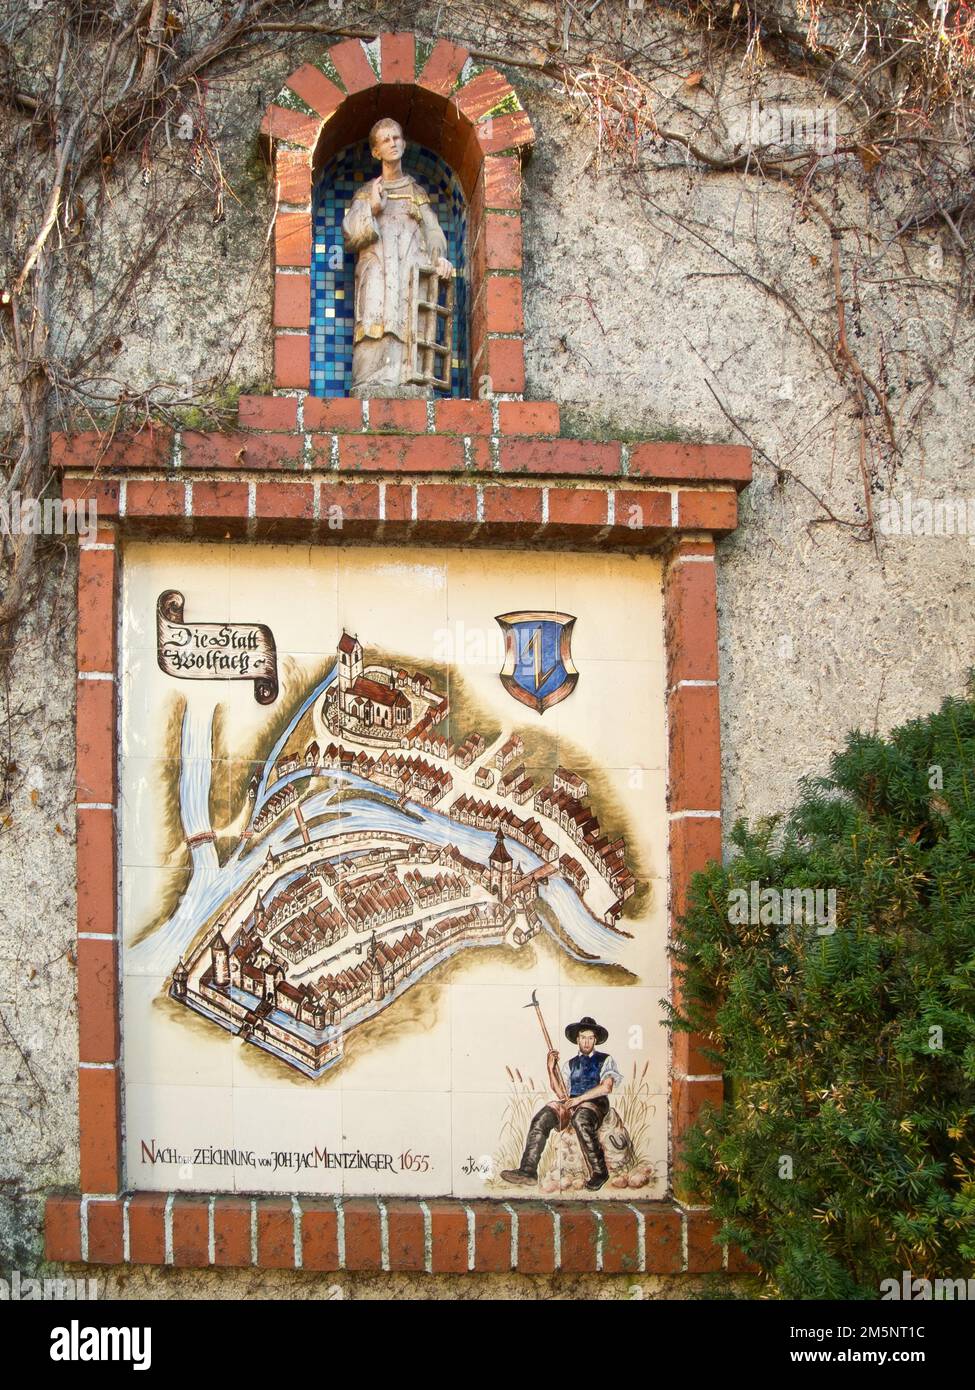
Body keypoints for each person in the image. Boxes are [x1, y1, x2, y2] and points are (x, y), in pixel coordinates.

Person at [342, 118, 453, 397]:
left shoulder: (417, 193)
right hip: (377, 270)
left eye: (397, 138)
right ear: (375, 151)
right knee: (375, 319)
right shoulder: (367, 192)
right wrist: (374, 208)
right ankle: (369, 380)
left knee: (407, 321)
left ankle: (409, 381)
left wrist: (439, 258)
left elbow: (433, 232)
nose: (393, 143)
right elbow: (351, 234)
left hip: (408, 270)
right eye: (385, 140)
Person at [501, 1016, 623, 1191]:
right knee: (542, 1117)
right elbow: (561, 1093)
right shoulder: (569, 1065)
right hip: (572, 1102)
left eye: (590, 1037)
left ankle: (599, 1171)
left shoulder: (605, 1059)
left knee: (580, 1119)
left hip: (595, 1103)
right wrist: (550, 1068)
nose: (586, 1042)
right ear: (577, 1039)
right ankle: (528, 1171)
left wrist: (580, 1100)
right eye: (583, 1037)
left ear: (595, 1039)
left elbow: (607, 1087)